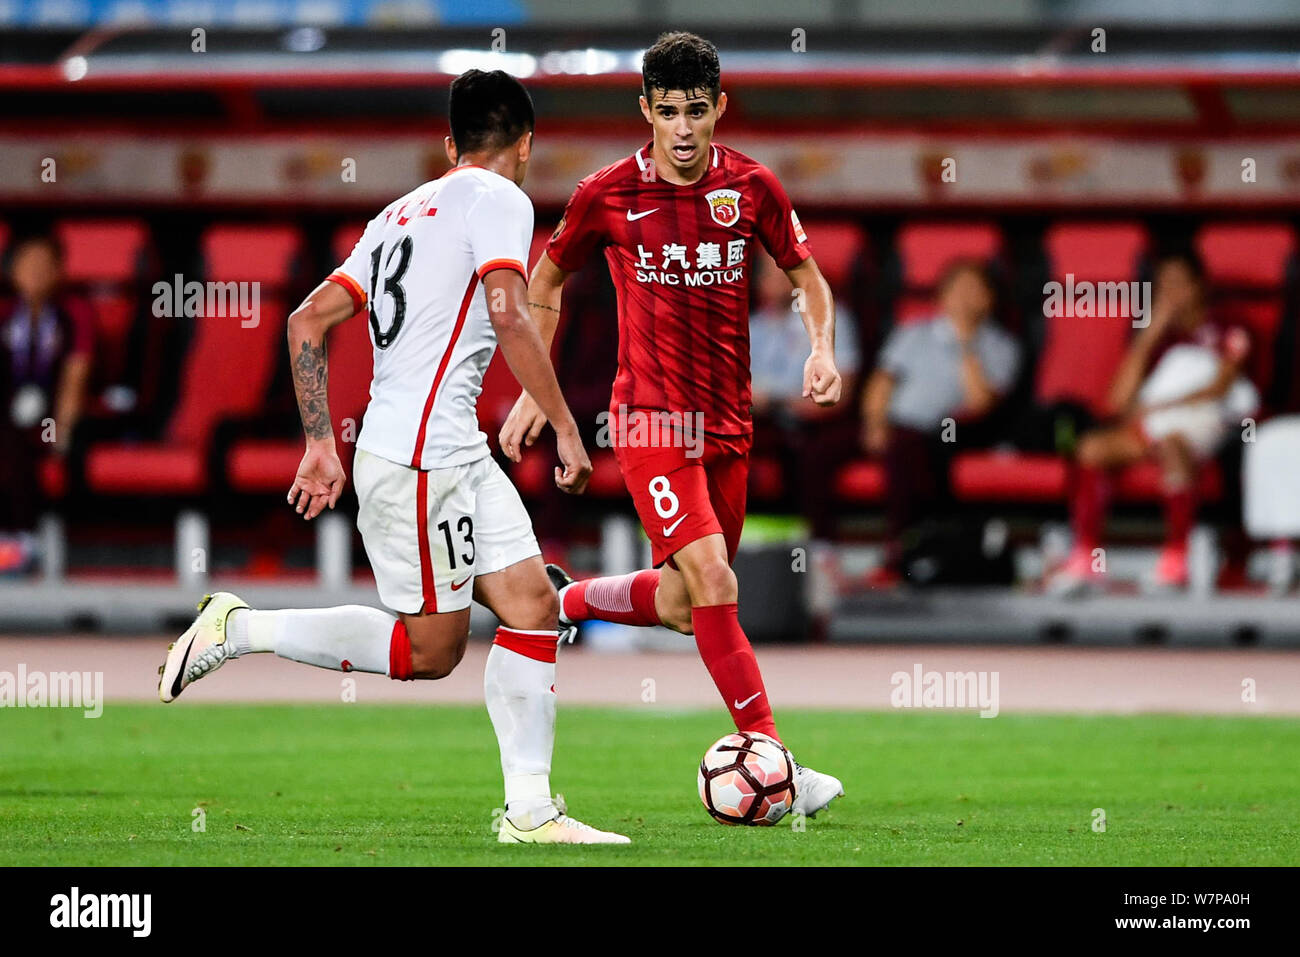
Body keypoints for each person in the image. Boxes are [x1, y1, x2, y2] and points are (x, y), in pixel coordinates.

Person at [158, 69, 628, 845]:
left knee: (532, 605)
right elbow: (512, 313)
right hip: (420, 460)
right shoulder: (503, 198)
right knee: (429, 650)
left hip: (445, 450)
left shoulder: (396, 213)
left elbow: (307, 321)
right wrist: (565, 425)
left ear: (449, 145)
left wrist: (319, 443)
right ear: (526, 145)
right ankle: (239, 628)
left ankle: (531, 813)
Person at [499, 31, 844, 819]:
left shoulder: (753, 187)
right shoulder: (606, 193)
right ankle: (776, 758)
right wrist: (532, 386)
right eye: (668, 112)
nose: (684, 129)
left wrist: (821, 346)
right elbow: (546, 281)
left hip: (729, 427)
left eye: (697, 112)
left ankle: (566, 602)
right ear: (645, 109)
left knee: (691, 603)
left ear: (719, 107)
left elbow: (806, 276)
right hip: (650, 419)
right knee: (718, 579)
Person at [1048, 250, 1257, 594]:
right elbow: (1117, 403)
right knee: (1090, 448)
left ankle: (1177, 559)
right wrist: (1149, 334)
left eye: (1179, 283)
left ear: (1199, 285)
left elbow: (1219, 387)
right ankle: (1086, 557)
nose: (1171, 293)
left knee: (1173, 446)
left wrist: (1159, 406)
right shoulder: (1157, 337)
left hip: (1207, 421)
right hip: (1155, 423)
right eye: (1163, 286)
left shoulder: (1230, 329)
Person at [861, 259, 1020, 581]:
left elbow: (981, 402)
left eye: (974, 290)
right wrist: (875, 423)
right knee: (820, 449)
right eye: (957, 289)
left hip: (947, 432)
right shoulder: (912, 333)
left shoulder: (1002, 345)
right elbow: (881, 384)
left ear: (990, 299)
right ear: (941, 296)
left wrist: (965, 343)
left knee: (911, 449)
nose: (964, 298)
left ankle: (902, 551)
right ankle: (819, 550)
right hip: (890, 424)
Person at [749, 250, 862, 539]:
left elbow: (841, 392)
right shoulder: (752, 326)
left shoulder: (832, 319)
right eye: (768, 276)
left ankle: (819, 547)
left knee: (812, 455)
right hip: (763, 419)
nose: (774, 283)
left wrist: (786, 401)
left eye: (782, 275)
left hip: (822, 419)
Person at [0, 234, 93, 574]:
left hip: (49, 421)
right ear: (12, 271)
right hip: (7, 418)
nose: (36, 273)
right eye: (28, 264)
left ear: (59, 272)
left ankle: (23, 540)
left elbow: (75, 377)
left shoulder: (73, 315)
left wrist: (62, 432)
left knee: (23, 440)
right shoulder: (5, 314)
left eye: (45, 265)